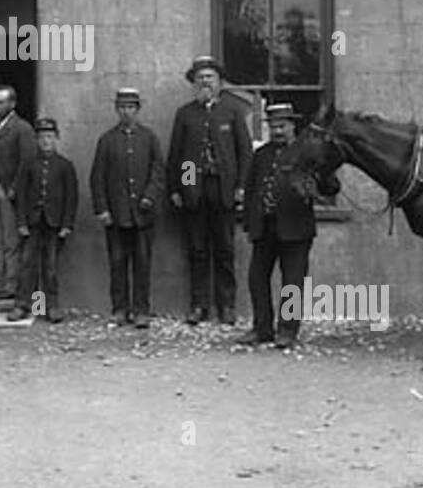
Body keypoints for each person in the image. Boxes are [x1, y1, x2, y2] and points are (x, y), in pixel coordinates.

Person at [240, 103, 340, 349]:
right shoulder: (261, 155)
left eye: (282, 126)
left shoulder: (306, 153)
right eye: (273, 126)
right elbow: (251, 189)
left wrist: (322, 175)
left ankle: (287, 331)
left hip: (295, 228)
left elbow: (332, 188)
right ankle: (261, 328)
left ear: (292, 126)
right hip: (264, 228)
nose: (277, 131)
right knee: (257, 278)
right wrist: (250, 224)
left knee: (292, 282)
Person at [167, 56, 253, 325]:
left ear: (219, 82)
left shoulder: (232, 112)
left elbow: (245, 153)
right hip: (195, 188)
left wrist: (240, 187)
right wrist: (180, 188)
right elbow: (179, 156)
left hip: (223, 188)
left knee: (225, 250)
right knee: (197, 250)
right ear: (194, 83)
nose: (205, 82)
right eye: (200, 78)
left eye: (210, 77)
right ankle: (199, 306)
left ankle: (226, 306)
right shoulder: (186, 113)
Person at [90, 88, 164, 329]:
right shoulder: (107, 140)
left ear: (138, 109)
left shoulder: (149, 138)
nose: (126, 112)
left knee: (142, 265)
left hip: (143, 216)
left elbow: (159, 172)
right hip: (116, 214)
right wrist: (102, 208)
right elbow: (97, 177)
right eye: (122, 107)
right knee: (118, 263)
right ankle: (119, 309)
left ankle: (141, 310)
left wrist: (150, 196)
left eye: (131, 107)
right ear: (116, 110)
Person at [9, 118, 78, 323]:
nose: (46, 141)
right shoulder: (28, 165)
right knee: (28, 265)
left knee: (49, 267)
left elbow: (71, 197)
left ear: (56, 138)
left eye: (49, 137)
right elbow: (20, 195)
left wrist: (67, 224)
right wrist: (21, 221)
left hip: (54, 224)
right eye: (41, 137)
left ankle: (49, 307)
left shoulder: (65, 166)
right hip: (32, 223)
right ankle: (25, 305)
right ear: (36, 140)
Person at [0, 84, 35, 301]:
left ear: (12, 103)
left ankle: (11, 284)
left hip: (8, 191)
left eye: (0, 102)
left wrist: (15, 189)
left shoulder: (22, 128)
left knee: (11, 241)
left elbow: (27, 162)